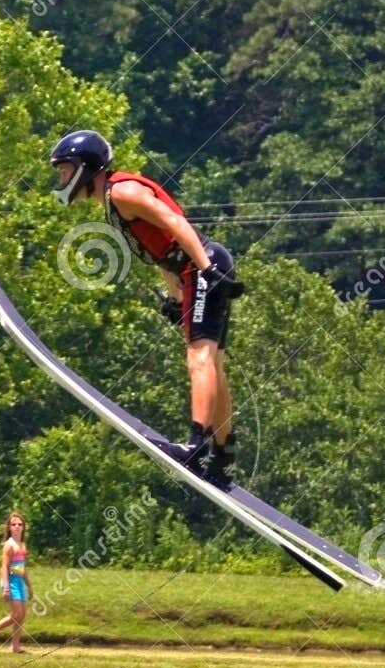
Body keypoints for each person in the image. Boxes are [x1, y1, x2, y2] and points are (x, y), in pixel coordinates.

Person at [49, 130, 244, 487]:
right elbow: (162, 252)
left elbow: (174, 221)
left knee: (199, 358)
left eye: (65, 170)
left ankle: (195, 447)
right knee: (212, 363)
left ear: (86, 167)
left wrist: (205, 268)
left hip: (203, 265)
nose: (61, 178)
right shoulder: (112, 204)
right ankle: (222, 457)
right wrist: (175, 297)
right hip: (192, 271)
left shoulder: (122, 192)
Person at [0, 512, 30, 653]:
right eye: (14, 524)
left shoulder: (22, 545)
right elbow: (4, 567)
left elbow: (23, 568)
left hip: (19, 580)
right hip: (11, 581)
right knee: (17, 614)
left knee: (22, 615)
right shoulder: (9, 546)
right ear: (9, 527)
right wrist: (6, 587)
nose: (17, 527)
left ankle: (15, 646)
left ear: (23, 527)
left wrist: (29, 586)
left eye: (20, 524)